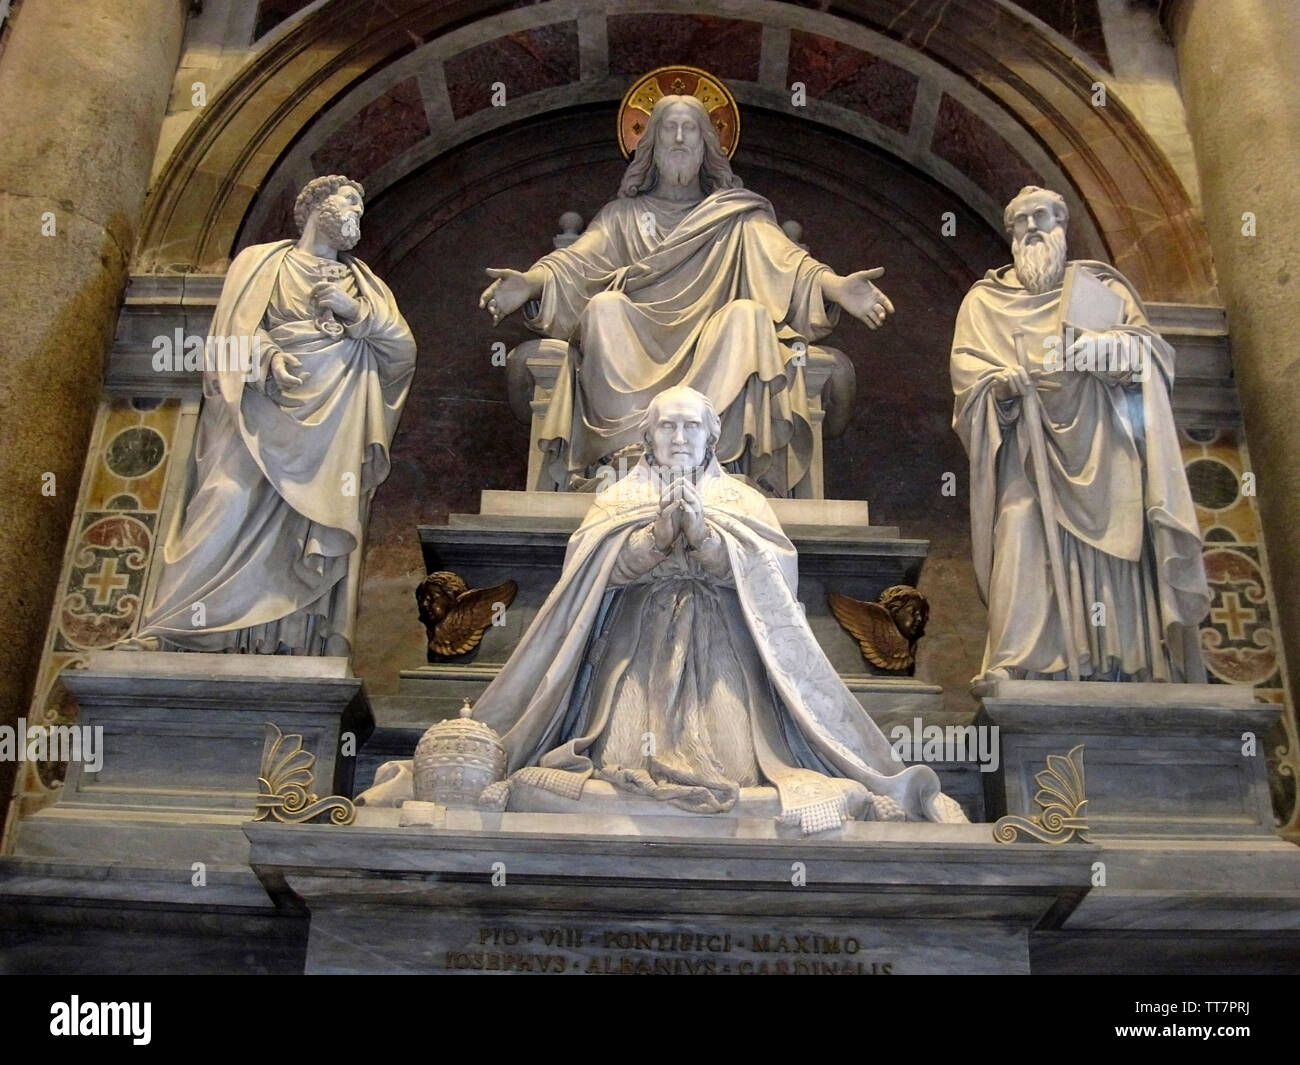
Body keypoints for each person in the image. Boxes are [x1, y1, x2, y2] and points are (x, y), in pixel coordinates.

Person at [467, 386, 965, 832]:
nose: (679, 436)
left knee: (734, 766)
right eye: (667, 425)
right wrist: (654, 539)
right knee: (623, 758)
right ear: (649, 437)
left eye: (691, 425)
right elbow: (588, 579)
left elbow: (775, 582)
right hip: (634, 650)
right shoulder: (619, 497)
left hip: (725, 648)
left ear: (712, 437)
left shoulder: (742, 500)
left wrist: (706, 539)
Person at [479, 93, 893, 496]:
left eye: (690, 129)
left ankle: (718, 458)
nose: (679, 138)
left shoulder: (736, 215)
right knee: (605, 307)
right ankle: (626, 453)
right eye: (669, 129)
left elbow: (788, 262)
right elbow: (576, 264)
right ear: (652, 143)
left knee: (748, 315)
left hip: (713, 341)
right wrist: (530, 283)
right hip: (637, 337)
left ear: (706, 143)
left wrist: (837, 288)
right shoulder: (622, 216)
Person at [127, 175, 416, 655]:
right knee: (224, 499)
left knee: (304, 525)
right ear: (316, 204)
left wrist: (355, 313)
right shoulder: (259, 263)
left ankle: (281, 642)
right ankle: (175, 625)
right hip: (257, 408)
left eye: (362, 209)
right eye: (348, 201)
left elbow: (402, 352)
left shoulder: (366, 287)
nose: (356, 214)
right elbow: (230, 331)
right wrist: (266, 358)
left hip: (331, 427)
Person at [950, 185, 1209, 690]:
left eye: (1042, 216)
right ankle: (1017, 659)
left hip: (1104, 443)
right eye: (1021, 220)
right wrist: (999, 385)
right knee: (1021, 526)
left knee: (1118, 538)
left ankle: (1127, 662)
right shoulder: (983, 304)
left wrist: (1102, 348)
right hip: (1026, 446)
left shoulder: (1099, 289)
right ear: (1009, 235)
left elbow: (1149, 354)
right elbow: (967, 373)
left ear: (1062, 224)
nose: (1032, 227)